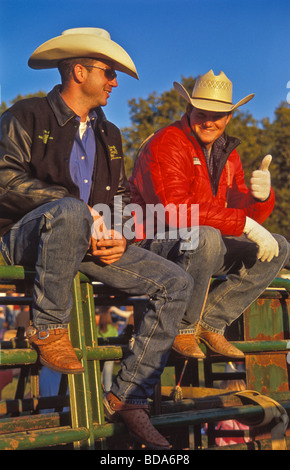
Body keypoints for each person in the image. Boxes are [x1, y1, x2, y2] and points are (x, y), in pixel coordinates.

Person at [0, 27, 195, 449]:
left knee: (176, 282)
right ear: (78, 70)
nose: (114, 81)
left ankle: (128, 396)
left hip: (83, 239)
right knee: (70, 210)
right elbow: (4, 179)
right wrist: (80, 209)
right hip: (22, 235)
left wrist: (122, 235)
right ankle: (49, 327)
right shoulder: (25, 114)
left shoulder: (110, 133)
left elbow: (121, 197)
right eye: (108, 72)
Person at [129, 69, 289, 359]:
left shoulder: (230, 154)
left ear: (229, 117)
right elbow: (175, 210)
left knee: (279, 247)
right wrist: (245, 223)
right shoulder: (167, 142)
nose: (209, 121)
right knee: (206, 237)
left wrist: (262, 197)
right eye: (202, 113)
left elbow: (241, 211)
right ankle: (182, 327)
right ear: (189, 109)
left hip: (201, 247)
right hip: (151, 245)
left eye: (218, 115)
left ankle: (212, 322)